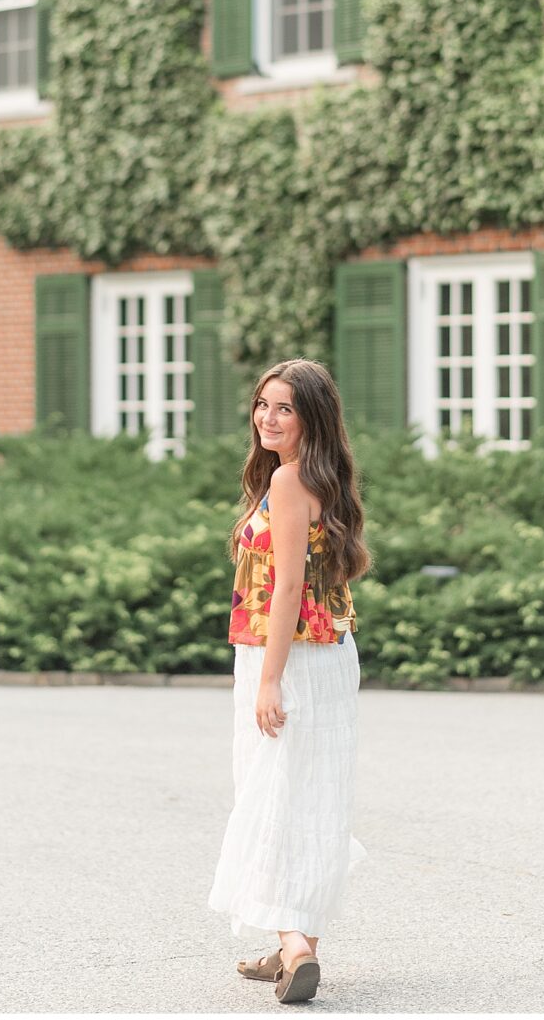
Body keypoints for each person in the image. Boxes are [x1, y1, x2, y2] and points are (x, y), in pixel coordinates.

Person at [207, 357, 371, 1004]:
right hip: (330, 651)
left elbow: (286, 590)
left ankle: (296, 944)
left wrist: (269, 681)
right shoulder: (325, 478)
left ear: (312, 418)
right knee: (311, 794)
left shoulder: (289, 480)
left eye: (285, 408)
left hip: (288, 657)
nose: (268, 418)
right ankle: (293, 945)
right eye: (262, 405)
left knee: (271, 792)